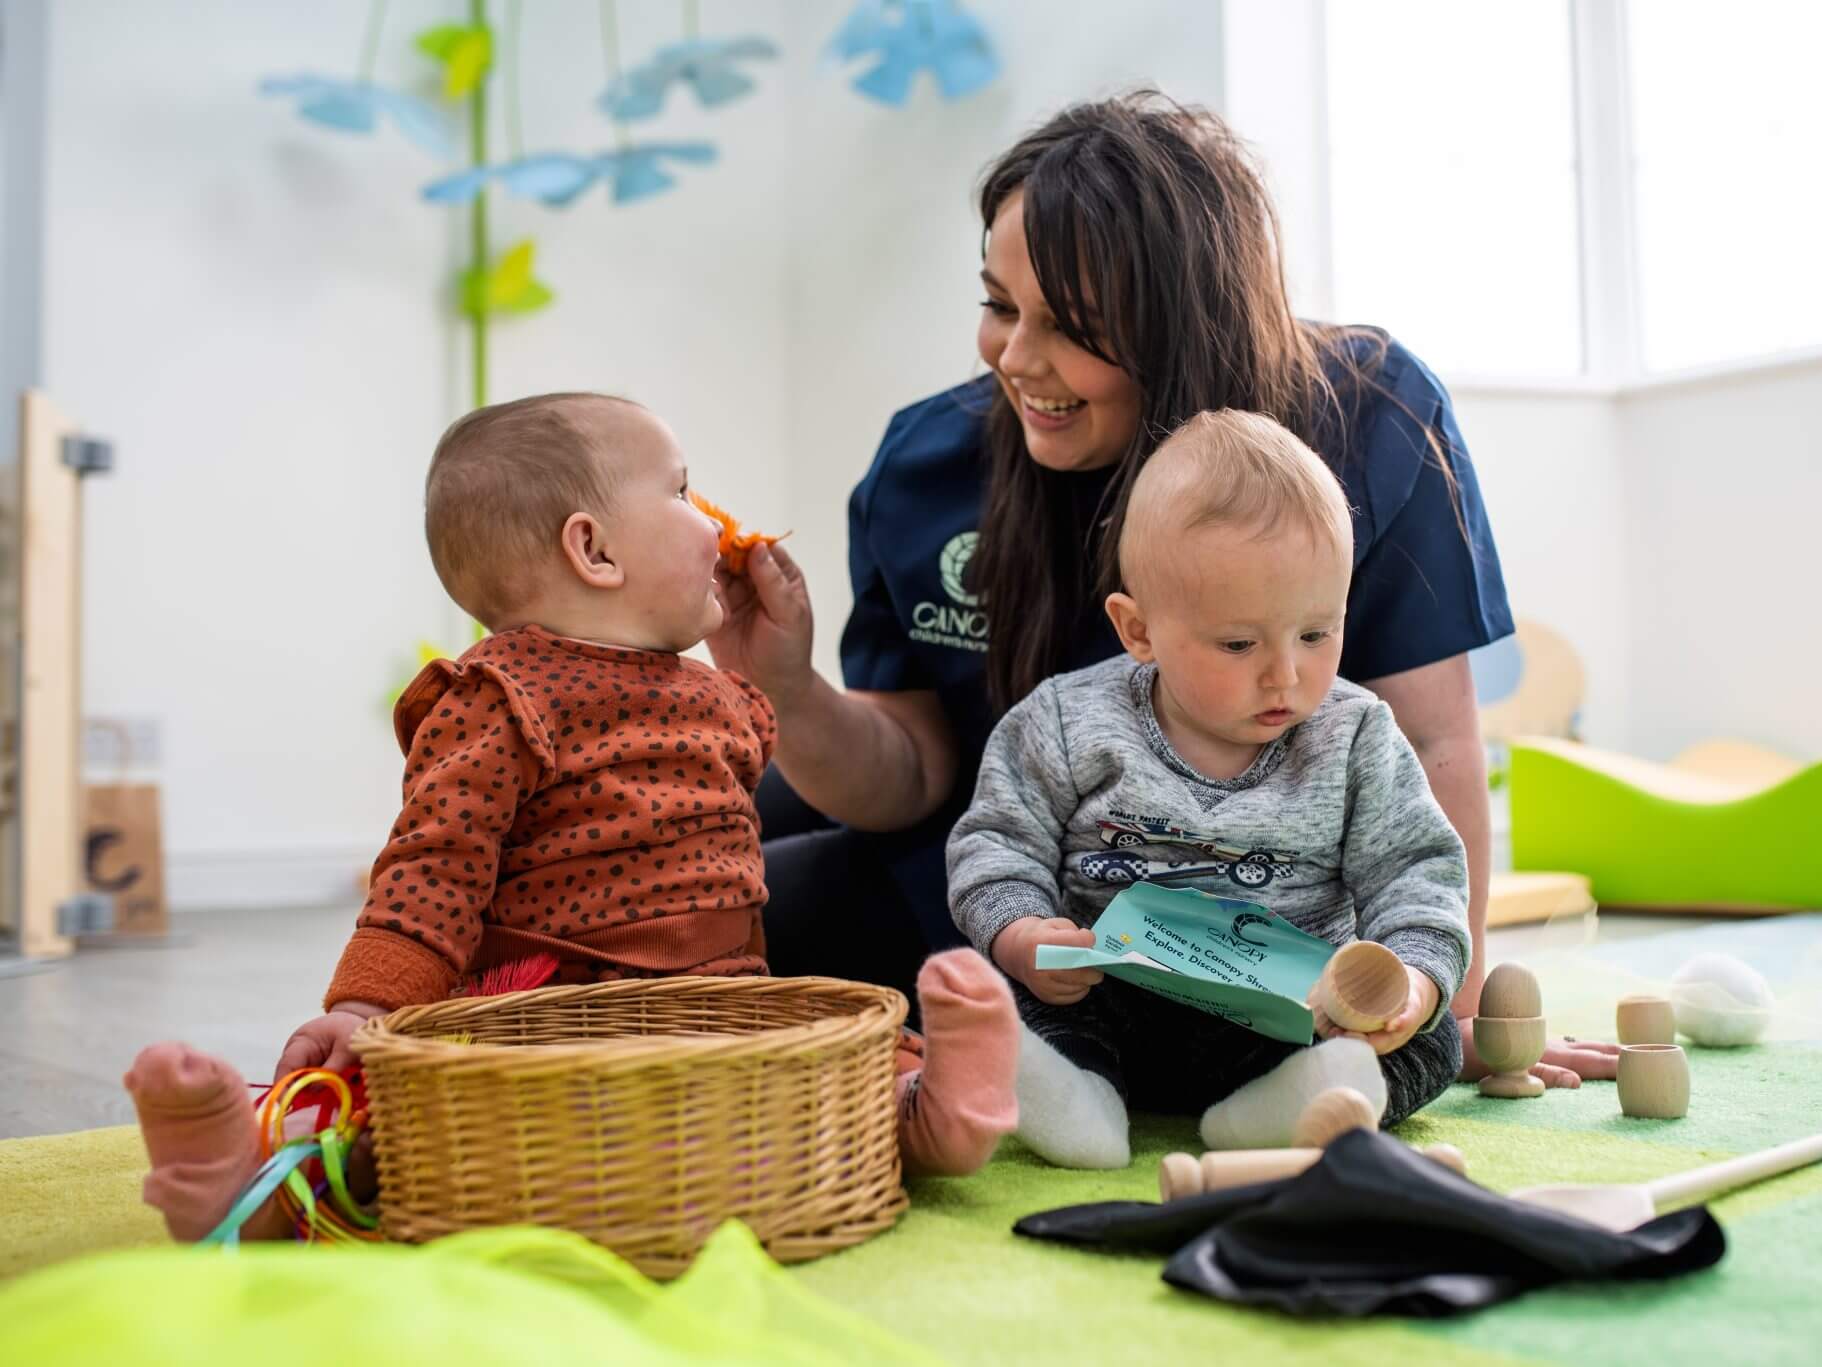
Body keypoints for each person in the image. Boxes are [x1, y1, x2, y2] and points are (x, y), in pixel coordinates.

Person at [710, 92, 1618, 1088]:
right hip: (1000, 870)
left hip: (1265, 910)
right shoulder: (926, 463)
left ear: (1185, 322)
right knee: (706, 835)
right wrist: (784, 686)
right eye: (999, 307)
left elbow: (1434, 741)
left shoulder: (1373, 417)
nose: (1016, 358)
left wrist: (1447, 1009)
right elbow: (912, 778)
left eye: (1071, 326)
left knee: (735, 861)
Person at [124, 393, 1019, 1244]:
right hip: (550, 1011)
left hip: (713, 1000)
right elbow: (433, 866)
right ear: (593, 550)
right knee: (413, 1125)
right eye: (681, 492)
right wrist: (369, 1000)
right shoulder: (498, 697)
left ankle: (924, 1111)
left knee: (820, 1062)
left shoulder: (720, 694)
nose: (713, 522)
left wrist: (777, 669)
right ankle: (241, 1177)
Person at [949, 410, 1469, 1168]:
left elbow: (1418, 872)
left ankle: (1288, 1106)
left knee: (1434, 1039)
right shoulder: (1066, 722)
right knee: (1007, 1001)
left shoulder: (1355, 735)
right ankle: (1078, 1098)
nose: (1285, 675)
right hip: (1104, 997)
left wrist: (1412, 981)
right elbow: (996, 842)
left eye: (1316, 633)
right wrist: (1023, 934)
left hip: (1292, 1020)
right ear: (1138, 631)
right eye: (1238, 643)